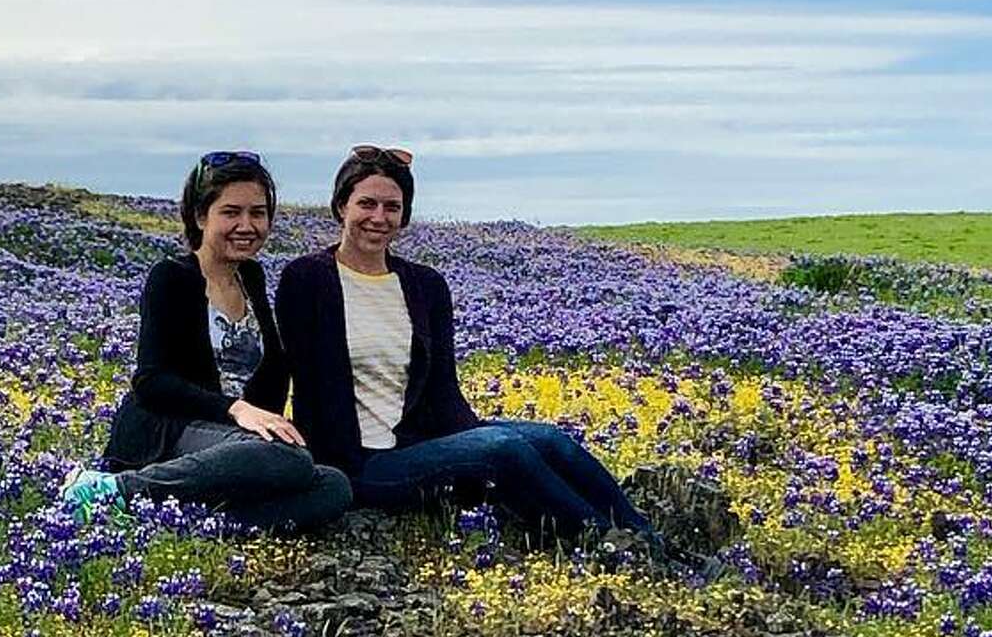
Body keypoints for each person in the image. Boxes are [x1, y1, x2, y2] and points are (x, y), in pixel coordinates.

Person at [274, 146, 659, 547]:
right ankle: (608, 545)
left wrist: (464, 444)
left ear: (404, 214)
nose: (379, 217)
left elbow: (443, 386)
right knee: (503, 447)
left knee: (550, 440)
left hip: (418, 441)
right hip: (359, 460)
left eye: (392, 206)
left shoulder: (426, 284)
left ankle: (648, 539)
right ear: (341, 207)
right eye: (366, 204)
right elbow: (297, 373)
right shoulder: (307, 279)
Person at [64, 153, 351, 532]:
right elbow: (151, 382)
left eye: (258, 213)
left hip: (228, 443)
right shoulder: (171, 277)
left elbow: (271, 373)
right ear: (201, 217)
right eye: (231, 212)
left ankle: (167, 523)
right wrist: (236, 409)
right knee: (290, 460)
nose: (247, 225)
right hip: (170, 431)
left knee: (334, 485)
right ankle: (113, 490)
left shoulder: (251, 276)